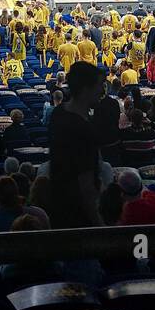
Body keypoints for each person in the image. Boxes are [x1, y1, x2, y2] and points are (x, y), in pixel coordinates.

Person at [46, 61, 107, 228]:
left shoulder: (58, 113)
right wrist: (100, 226)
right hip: (79, 218)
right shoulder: (82, 128)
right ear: (86, 89)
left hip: (59, 210)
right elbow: (85, 186)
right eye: (99, 86)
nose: (102, 91)